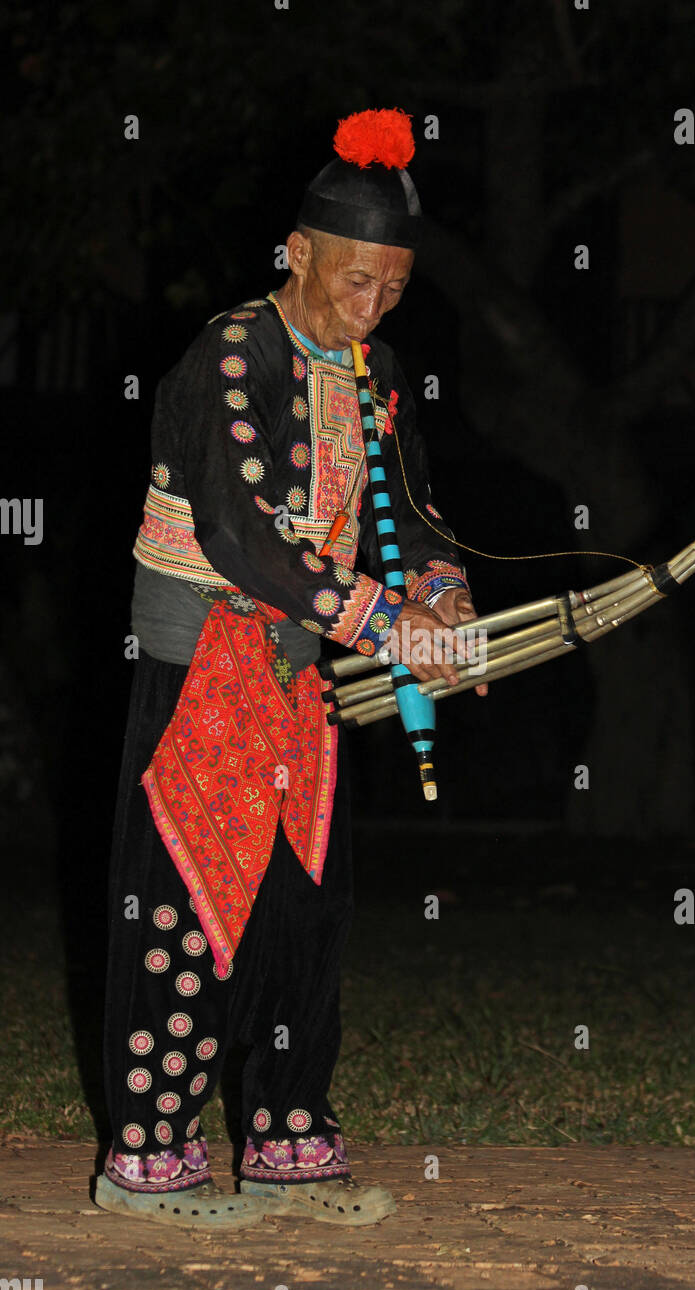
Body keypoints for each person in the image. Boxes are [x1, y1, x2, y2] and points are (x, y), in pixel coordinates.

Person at [95, 109, 486, 1229]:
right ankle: (148, 1152)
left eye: (394, 287)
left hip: (297, 668)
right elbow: (243, 531)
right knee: (185, 893)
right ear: (298, 252)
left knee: (299, 902)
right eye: (353, 280)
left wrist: (439, 593)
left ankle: (283, 1128)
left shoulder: (376, 371)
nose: (370, 306)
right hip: (199, 660)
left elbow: (407, 506)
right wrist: (379, 616)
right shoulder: (230, 352)